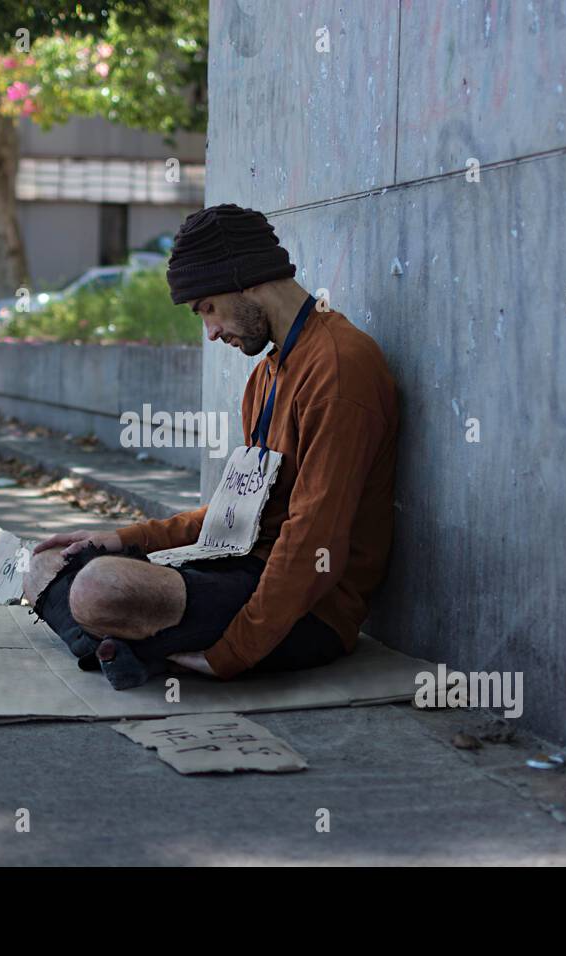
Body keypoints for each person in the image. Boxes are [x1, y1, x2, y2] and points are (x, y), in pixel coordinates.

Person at [24, 204, 399, 690]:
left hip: (309, 611)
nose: (212, 331)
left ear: (245, 279)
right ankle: (130, 646)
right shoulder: (266, 375)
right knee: (45, 566)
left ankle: (118, 641)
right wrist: (120, 537)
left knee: (97, 589)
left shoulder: (340, 367)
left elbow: (314, 537)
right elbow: (235, 513)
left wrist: (234, 652)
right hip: (239, 568)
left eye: (207, 308)